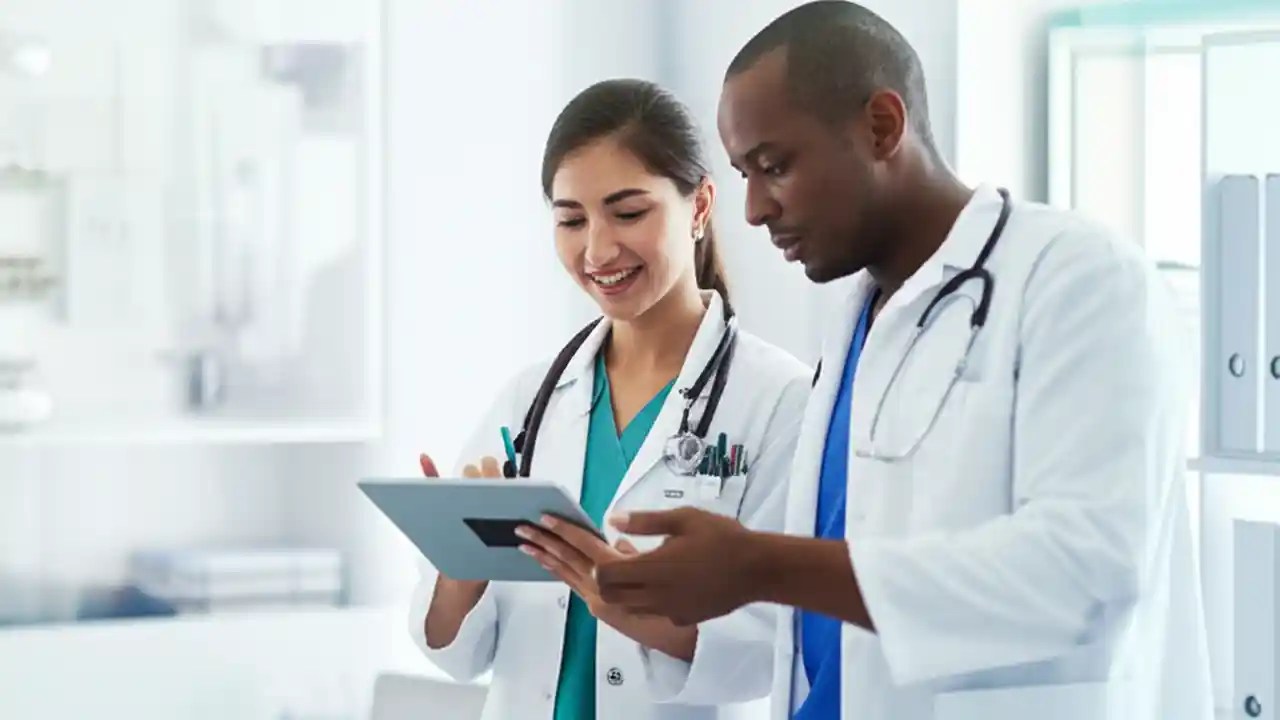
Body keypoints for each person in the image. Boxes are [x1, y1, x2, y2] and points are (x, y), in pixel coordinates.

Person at [593, 3, 1215, 720]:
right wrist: (678, 601)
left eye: (774, 166)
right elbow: (828, 615)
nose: (756, 209)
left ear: (882, 126)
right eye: (743, 174)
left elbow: (1087, 573)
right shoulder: (852, 324)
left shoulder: (1079, 279)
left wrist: (761, 563)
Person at [409, 78, 810, 720]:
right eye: (571, 220)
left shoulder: (778, 401)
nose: (597, 250)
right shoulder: (531, 400)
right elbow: (452, 652)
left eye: (628, 213)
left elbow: (779, 649)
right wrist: (461, 558)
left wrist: (629, 608)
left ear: (700, 206)